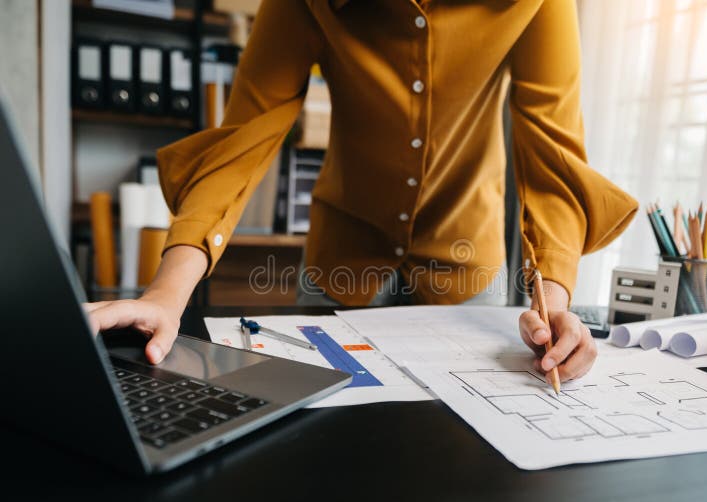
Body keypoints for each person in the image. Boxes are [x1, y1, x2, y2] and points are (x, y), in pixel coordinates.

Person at [87, 0, 637, 386]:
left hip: (468, 266)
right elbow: (243, 139)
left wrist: (553, 307)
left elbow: (552, 153)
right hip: (339, 264)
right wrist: (166, 294)